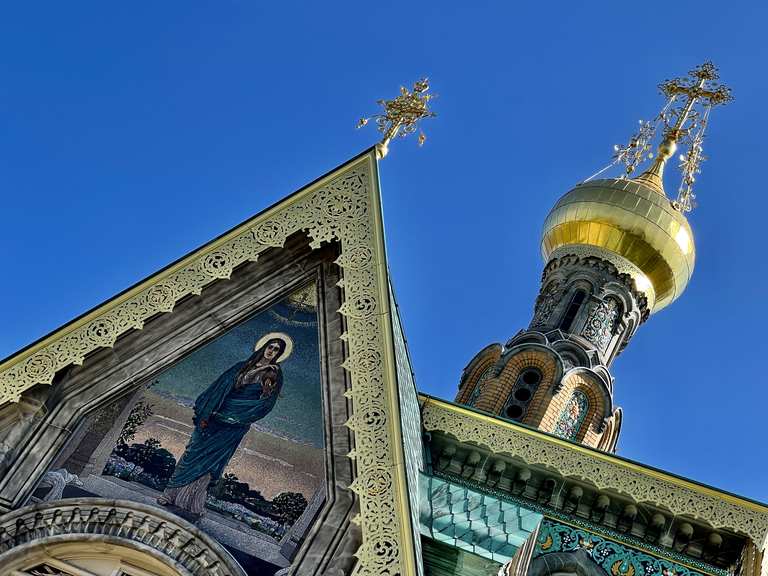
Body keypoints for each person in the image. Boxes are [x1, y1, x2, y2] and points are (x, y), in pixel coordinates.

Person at [157, 332, 293, 519]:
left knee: (211, 462)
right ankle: (169, 495)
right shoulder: (242, 367)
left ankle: (192, 503)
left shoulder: (274, 374)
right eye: (270, 346)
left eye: (277, 349)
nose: (272, 351)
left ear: (280, 354)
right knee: (192, 453)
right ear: (264, 347)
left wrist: (238, 417)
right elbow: (220, 386)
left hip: (234, 425)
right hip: (215, 416)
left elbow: (265, 404)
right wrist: (209, 410)